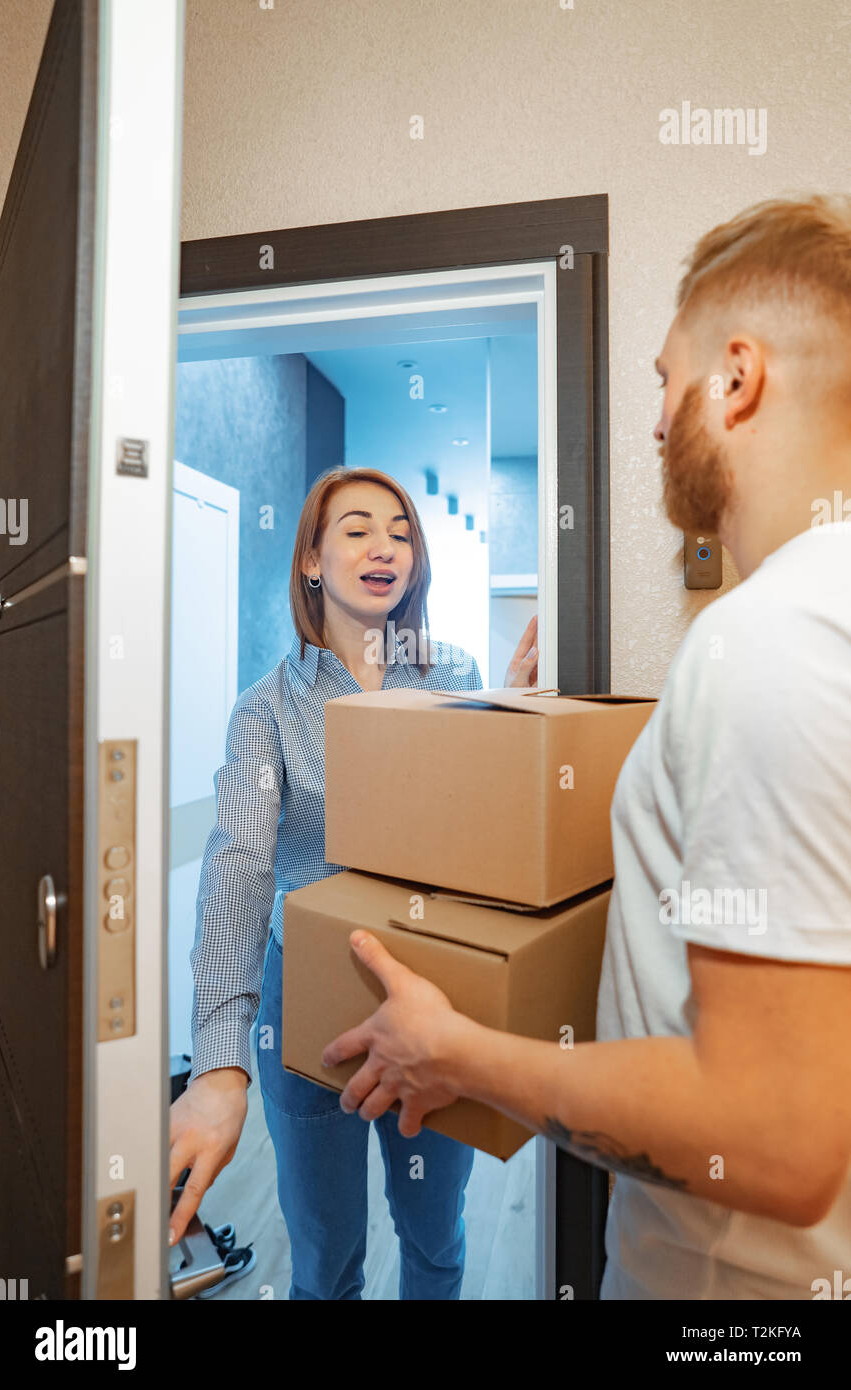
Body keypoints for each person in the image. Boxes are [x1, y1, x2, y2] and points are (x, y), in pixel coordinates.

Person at [322, 195, 851, 1300]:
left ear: (736, 377)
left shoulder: (768, 637)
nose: (655, 422)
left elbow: (776, 1139)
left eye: (664, 380)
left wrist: (454, 1051)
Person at [168, 465, 539, 1299]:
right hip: (302, 1005)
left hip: (430, 994)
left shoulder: (454, 680)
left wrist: (514, 729)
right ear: (310, 560)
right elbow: (236, 875)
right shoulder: (266, 712)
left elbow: (483, 840)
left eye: (402, 532)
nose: (386, 547)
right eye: (359, 528)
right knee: (327, 1258)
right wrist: (219, 1065)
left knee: (434, 1235)